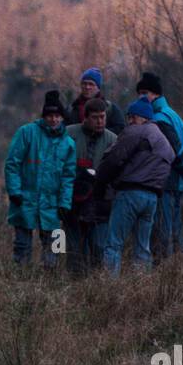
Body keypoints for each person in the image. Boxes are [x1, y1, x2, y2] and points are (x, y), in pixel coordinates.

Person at [96, 97, 174, 274]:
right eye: (129, 117)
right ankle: (141, 287)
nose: (129, 121)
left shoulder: (136, 132)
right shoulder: (163, 140)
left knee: (114, 244)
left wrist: (100, 181)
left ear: (144, 117)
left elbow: (114, 159)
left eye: (133, 117)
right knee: (142, 248)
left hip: (130, 193)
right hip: (152, 198)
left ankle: (109, 287)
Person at [5, 91, 77, 267]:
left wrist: (65, 203)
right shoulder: (27, 133)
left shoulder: (68, 143)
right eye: (50, 116)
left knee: (54, 246)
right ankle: (20, 279)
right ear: (44, 116)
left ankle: (50, 280)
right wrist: (14, 191)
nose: (53, 119)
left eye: (57, 116)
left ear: (62, 118)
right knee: (22, 246)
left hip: (52, 203)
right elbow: (12, 163)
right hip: (25, 199)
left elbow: (68, 176)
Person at [137, 72, 183, 259]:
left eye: (145, 92)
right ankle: (179, 266)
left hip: (166, 180)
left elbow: (172, 150)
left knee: (163, 227)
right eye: (140, 93)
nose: (141, 97)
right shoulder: (173, 114)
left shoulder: (159, 118)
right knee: (176, 227)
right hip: (177, 180)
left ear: (156, 94)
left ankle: (164, 269)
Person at [63, 99, 117, 273]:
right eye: (95, 118)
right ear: (85, 118)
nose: (100, 121)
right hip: (73, 201)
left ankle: (96, 286)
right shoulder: (69, 134)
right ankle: (75, 284)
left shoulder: (113, 139)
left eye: (103, 117)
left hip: (100, 203)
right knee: (73, 248)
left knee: (99, 247)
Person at [68, 68, 126, 135]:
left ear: (98, 87)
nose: (87, 87)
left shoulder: (110, 108)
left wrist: (99, 134)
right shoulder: (72, 109)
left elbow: (120, 128)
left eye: (91, 84)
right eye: (84, 83)